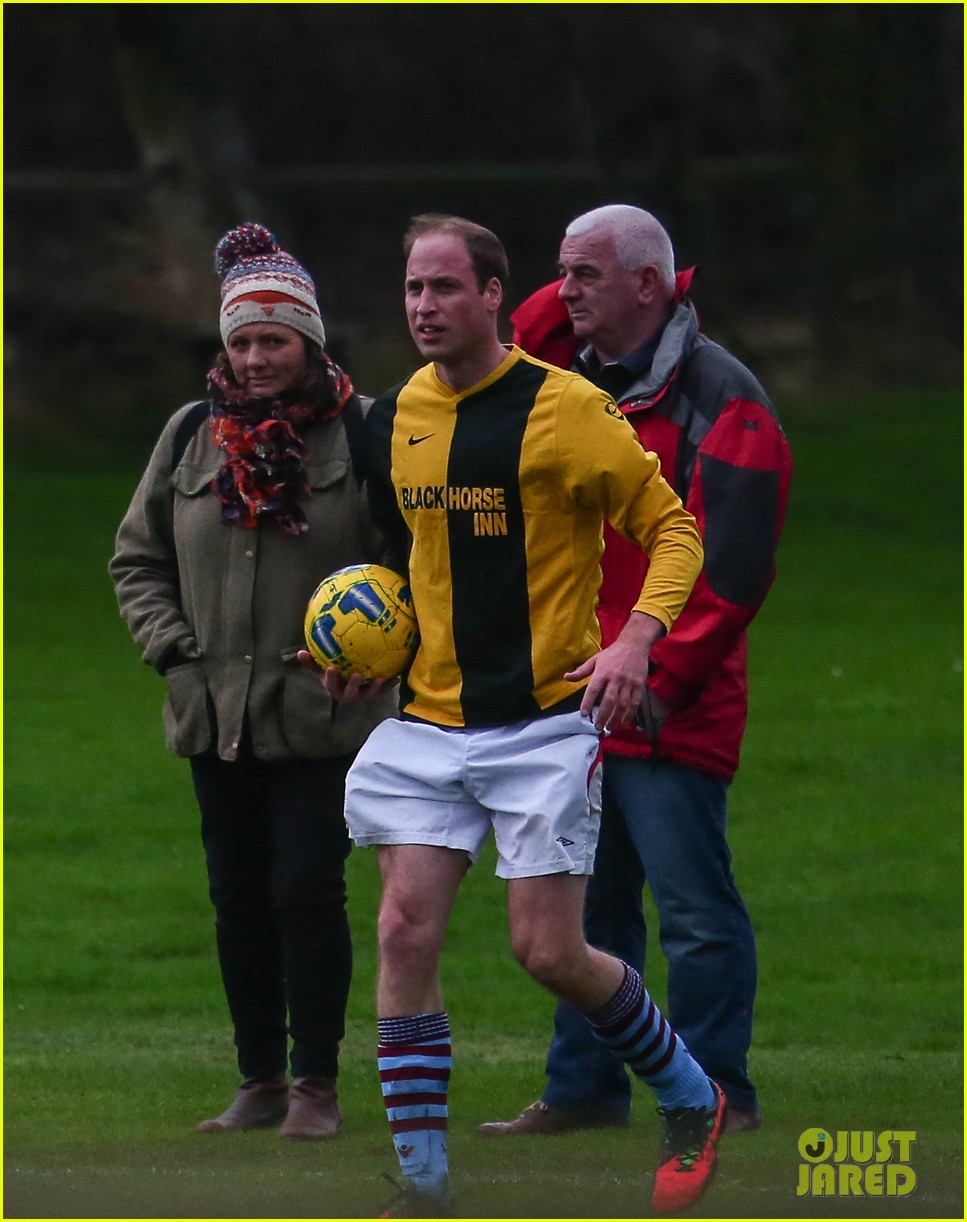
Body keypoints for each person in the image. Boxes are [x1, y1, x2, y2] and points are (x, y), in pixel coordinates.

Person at [321, 213, 725, 1217]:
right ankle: (423, 1182)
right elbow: (417, 566)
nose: (423, 307)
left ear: (494, 295)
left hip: (542, 724)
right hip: (429, 722)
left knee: (547, 951)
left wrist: (635, 639)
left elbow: (673, 530)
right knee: (402, 929)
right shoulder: (401, 415)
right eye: (412, 289)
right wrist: (367, 653)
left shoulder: (568, 408)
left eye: (444, 288)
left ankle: (690, 1092)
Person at [478, 204, 793, 1141]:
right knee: (586, 909)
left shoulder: (726, 399)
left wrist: (654, 678)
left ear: (649, 286)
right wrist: (582, 276)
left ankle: (717, 1090)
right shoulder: (565, 372)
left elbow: (731, 571)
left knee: (693, 910)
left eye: (585, 274)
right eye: (561, 272)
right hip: (573, 692)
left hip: (667, 701)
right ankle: (583, 1090)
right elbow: (513, 331)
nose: (563, 292)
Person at [110, 223, 395, 1140]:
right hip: (212, 715)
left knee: (306, 893)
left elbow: (415, 568)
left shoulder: (368, 432)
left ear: (310, 341)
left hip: (324, 717)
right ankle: (259, 1081)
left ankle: (315, 1086)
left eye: (275, 339)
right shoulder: (189, 435)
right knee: (237, 901)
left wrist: (383, 658)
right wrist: (174, 652)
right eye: (242, 340)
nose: (257, 357)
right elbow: (137, 559)